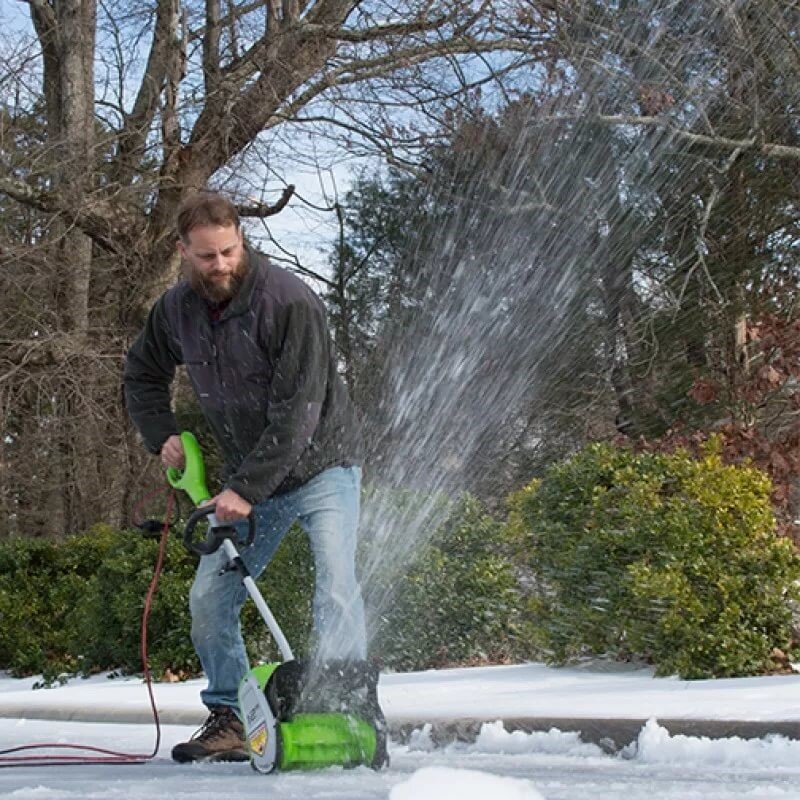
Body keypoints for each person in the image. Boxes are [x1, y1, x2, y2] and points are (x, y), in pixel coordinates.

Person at [123, 191, 367, 763]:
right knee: (209, 596)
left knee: (335, 581)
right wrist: (162, 433)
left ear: (240, 239)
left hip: (322, 465)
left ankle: (347, 704)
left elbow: (299, 412)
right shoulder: (176, 311)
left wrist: (244, 490)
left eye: (229, 251)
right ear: (183, 250)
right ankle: (232, 715)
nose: (221, 265)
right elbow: (142, 373)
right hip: (250, 479)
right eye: (207, 257)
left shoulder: (289, 301)